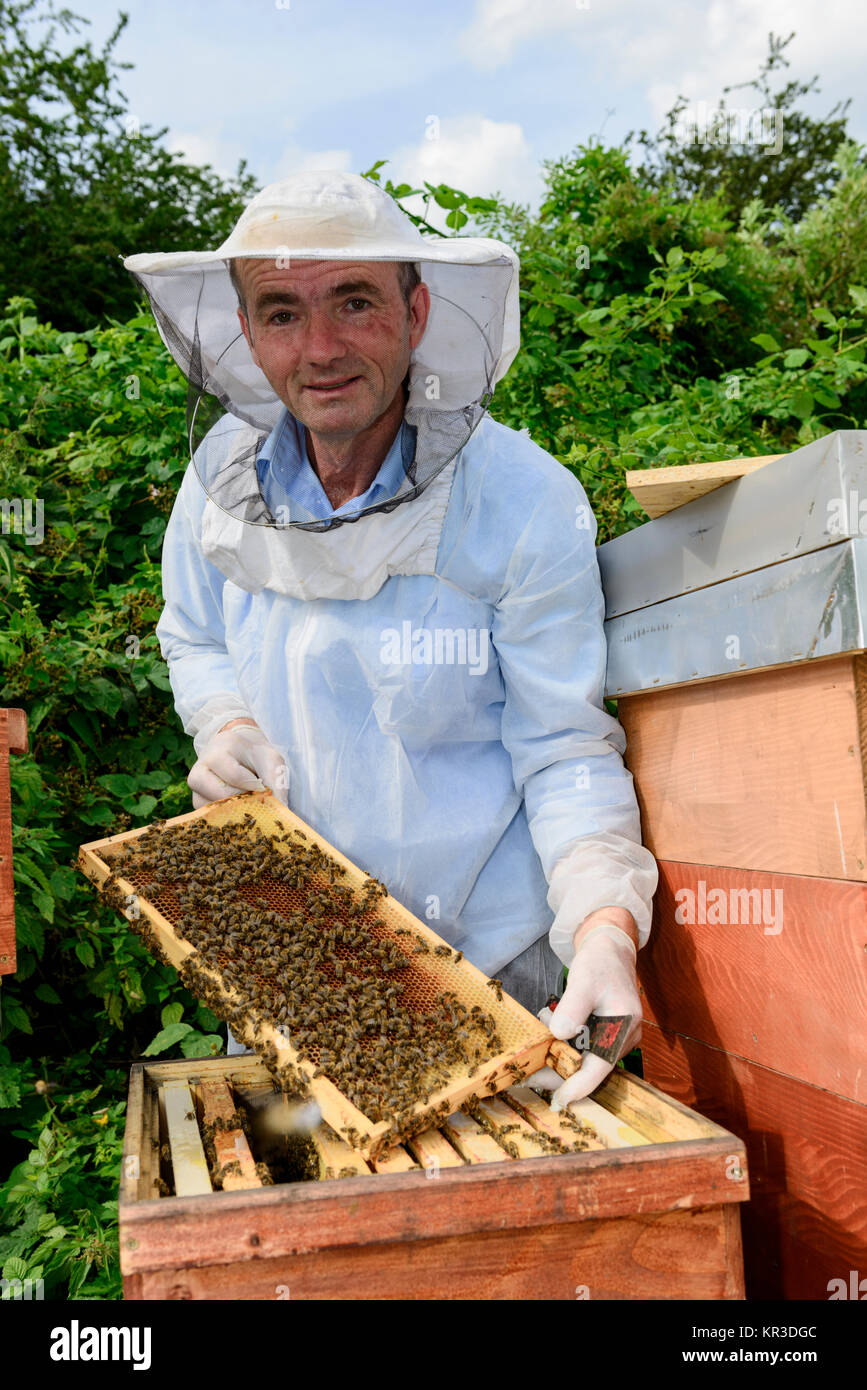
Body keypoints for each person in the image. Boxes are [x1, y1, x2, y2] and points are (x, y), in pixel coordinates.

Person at [124, 171, 658, 1107]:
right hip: (289, 959)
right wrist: (223, 723)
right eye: (281, 312)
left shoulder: (525, 502)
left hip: (500, 970)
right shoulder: (217, 482)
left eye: (355, 302)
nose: (319, 349)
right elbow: (193, 635)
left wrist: (606, 930)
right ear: (246, 330)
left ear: (416, 313)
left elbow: (564, 749)